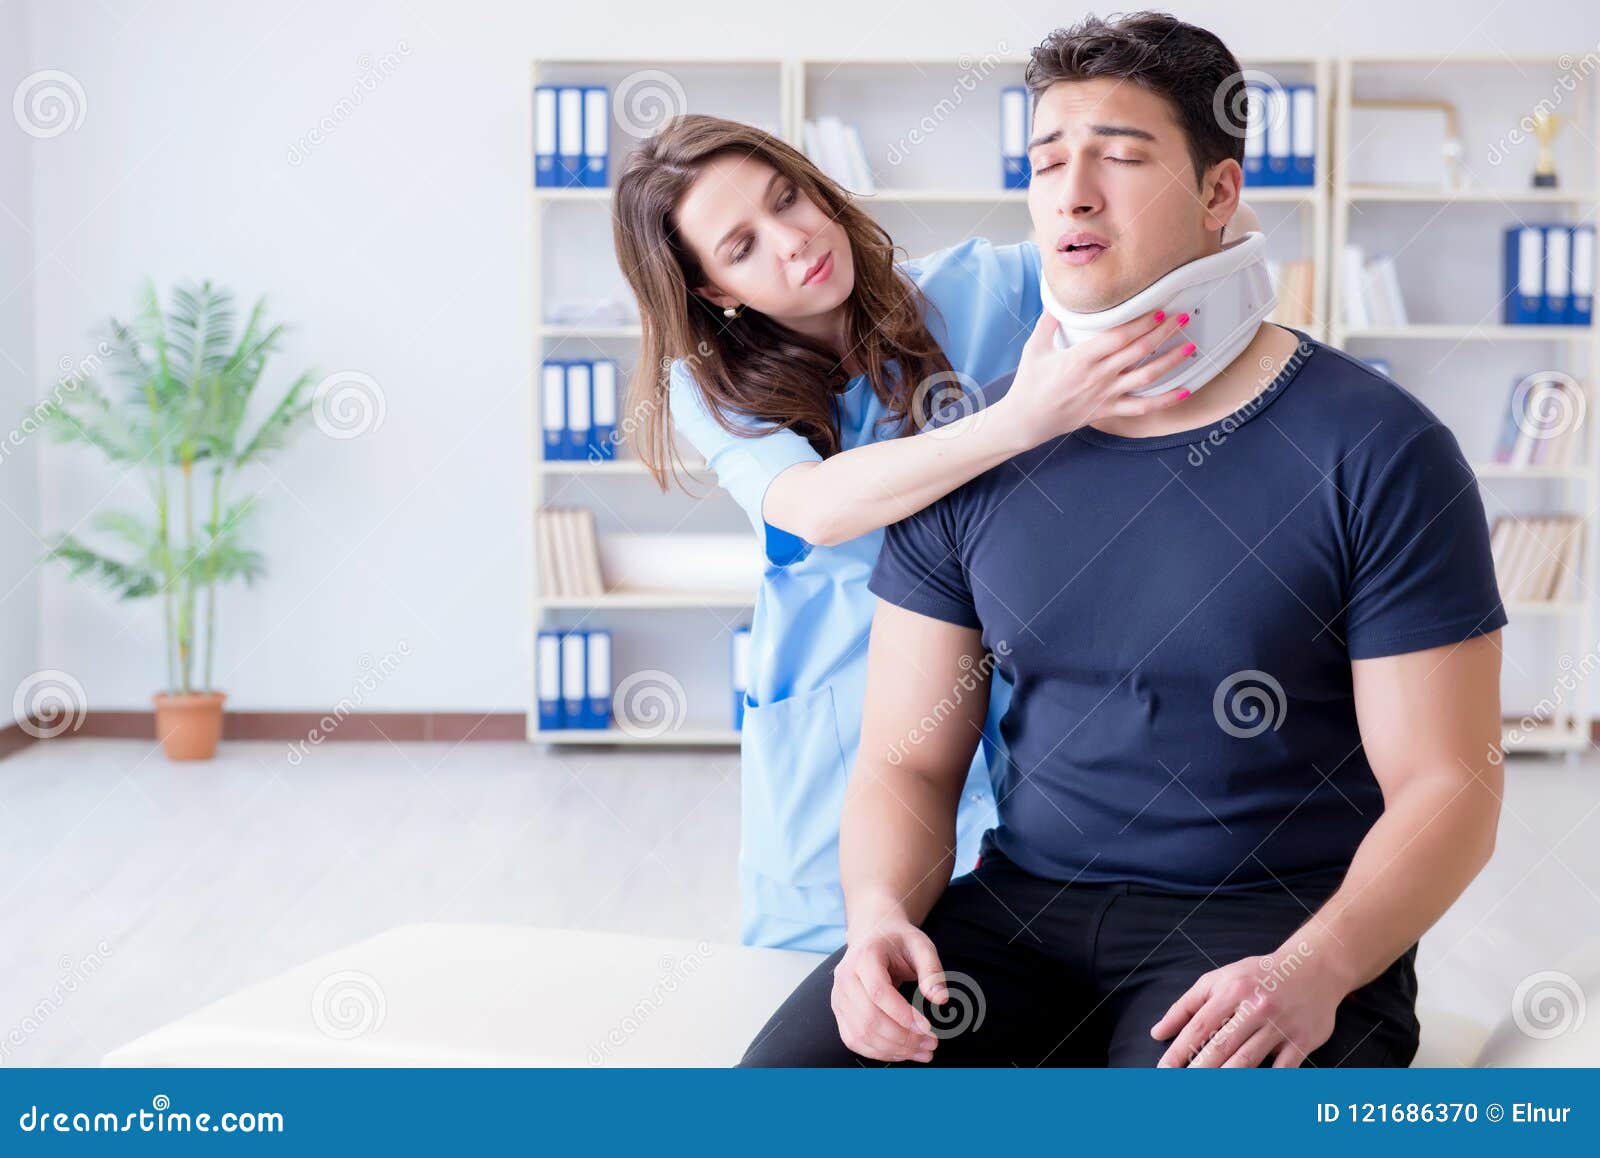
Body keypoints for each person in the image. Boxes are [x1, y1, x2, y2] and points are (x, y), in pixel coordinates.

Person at [740, 11, 1505, 1066]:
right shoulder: (968, 455)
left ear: (1218, 193)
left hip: (1273, 934)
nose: (1072, 189)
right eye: (1048, 160)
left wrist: (1319, 968)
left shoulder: (1376, 448)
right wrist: (876, 916)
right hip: (1021, 914)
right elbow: (904, 768)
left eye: (1120, 155)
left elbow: (1448, 787)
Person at [612, 114, 1204, 951]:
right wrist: (1021, 419)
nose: (794, 240)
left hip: (1018, 725)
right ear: (715, 291)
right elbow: (815, 506)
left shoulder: (978, 289)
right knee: (852, 1016)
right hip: (843, 750)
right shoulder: (711, 389)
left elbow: (1209, 238)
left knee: (1013, 1005)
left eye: (789, 199)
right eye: (742, 246)